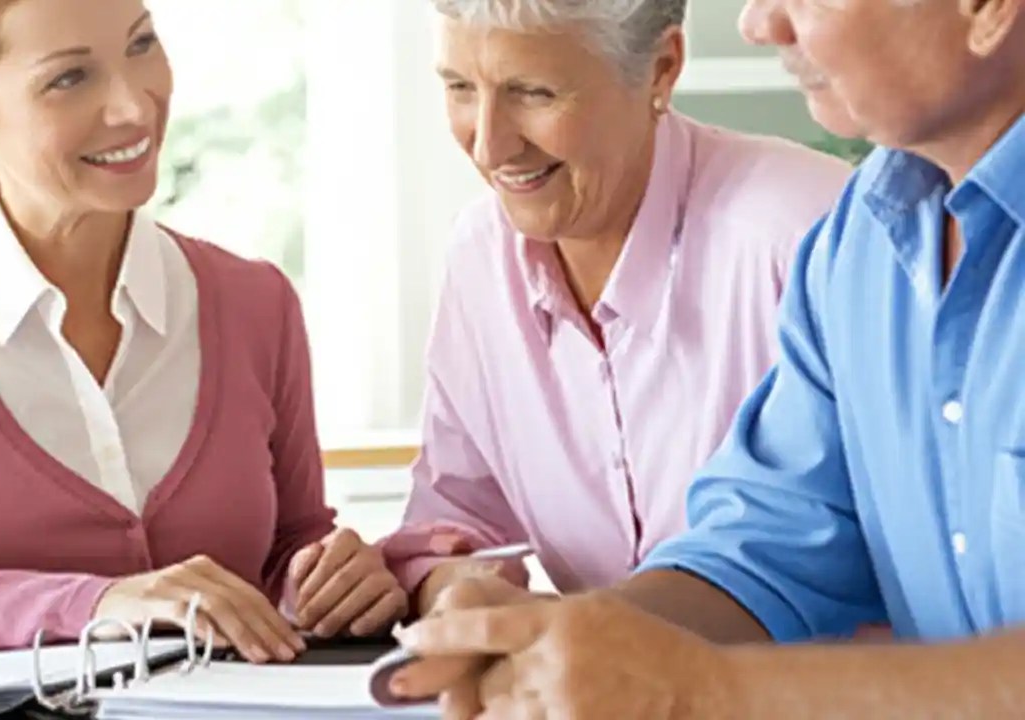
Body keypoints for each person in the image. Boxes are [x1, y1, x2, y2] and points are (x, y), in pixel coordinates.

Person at [390, 0, 1025, 716]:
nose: (758, 23)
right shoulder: (863, 239)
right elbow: (766, 549)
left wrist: (706, 688)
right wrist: (557, 643)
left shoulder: (798, 223)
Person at [0, 0, 405, 674]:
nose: (133, 106)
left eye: (141, 44)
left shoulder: (255, 302)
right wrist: (92, 605)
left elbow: (290, 554)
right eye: (69, 78)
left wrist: (334, 585)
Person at [378, 0, 850, 614]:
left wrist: (576, 631)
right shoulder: (481, 254)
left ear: (661, 68)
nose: (490, 146)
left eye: (534, 93)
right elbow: (456, 522)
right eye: (460, 88)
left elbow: (851, 559)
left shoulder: (808, 237)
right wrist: (458, 591)